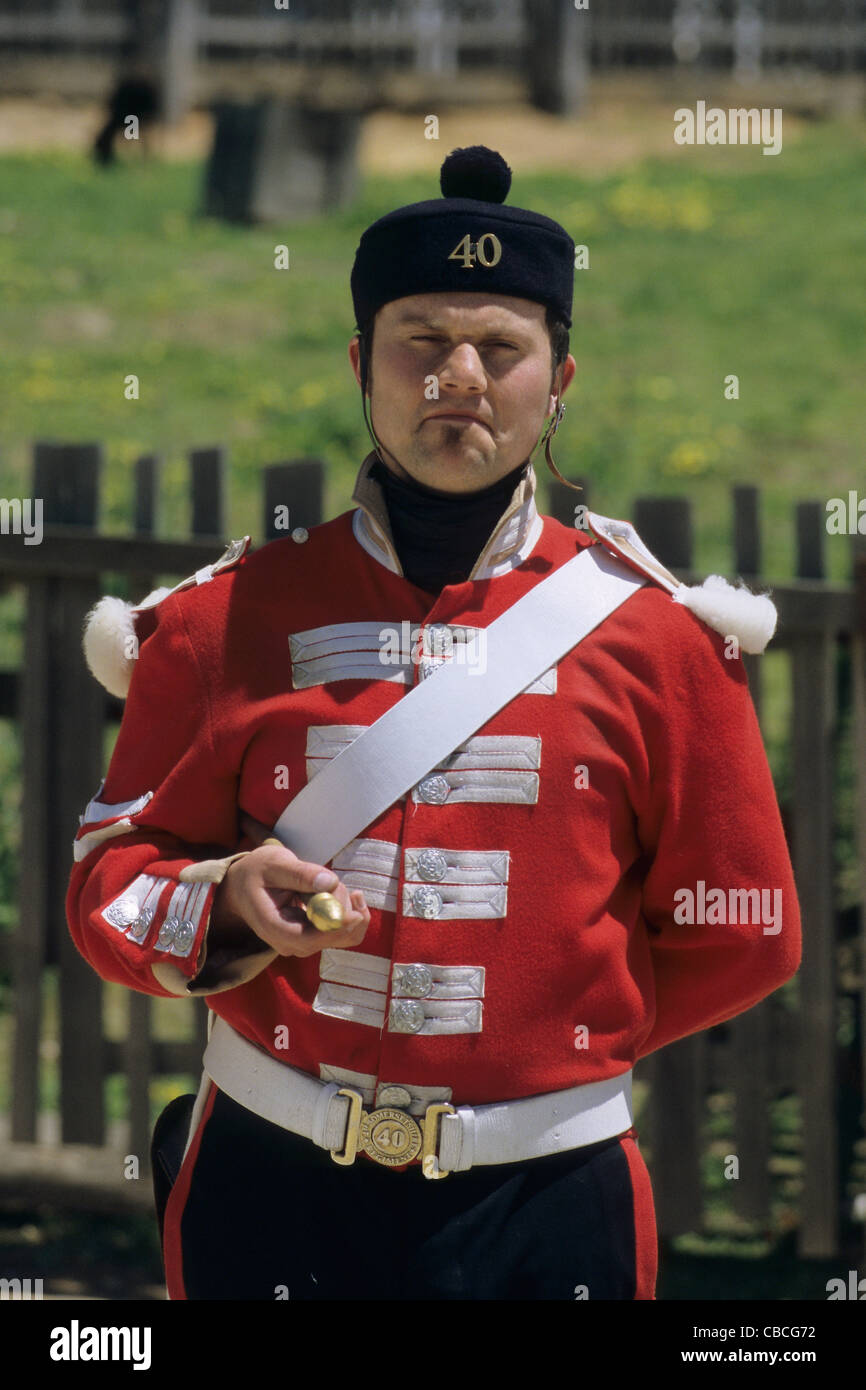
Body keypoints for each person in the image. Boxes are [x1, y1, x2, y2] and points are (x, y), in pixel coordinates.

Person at [67, 146, 801, 1301]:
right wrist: (221, 903)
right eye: (419, 342)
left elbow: (744, 926)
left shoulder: (663, 640)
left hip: (548, 1203)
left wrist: (546, 1040)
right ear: (362, 364)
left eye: (500, 348)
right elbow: (108, 889)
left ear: (556, 379)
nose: (457, 376)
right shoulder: (219, 622)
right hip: (270, 1183)